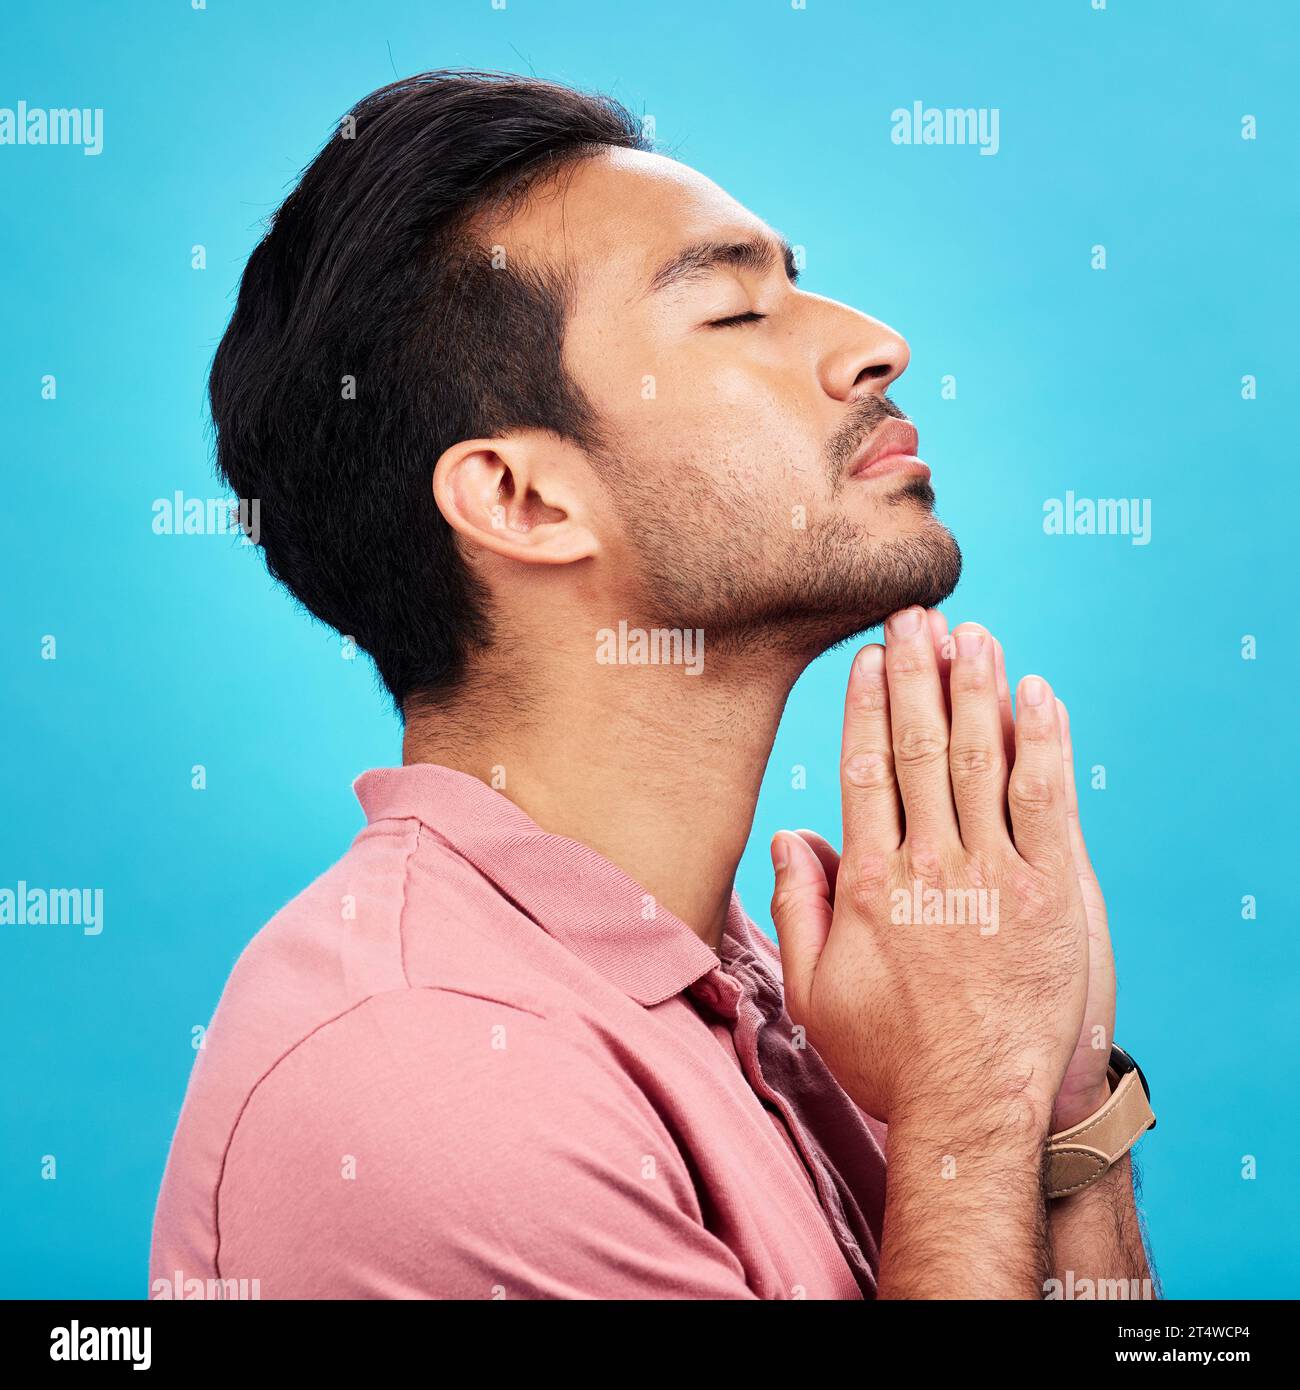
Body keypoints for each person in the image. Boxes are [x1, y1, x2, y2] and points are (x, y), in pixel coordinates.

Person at [150, 69, 1156, 1299]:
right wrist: (969, 1102)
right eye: (734, 310)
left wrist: (1057, 1093)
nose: (872, 344)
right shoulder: (428, 1074)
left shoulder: (810, 998)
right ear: (521, 499)